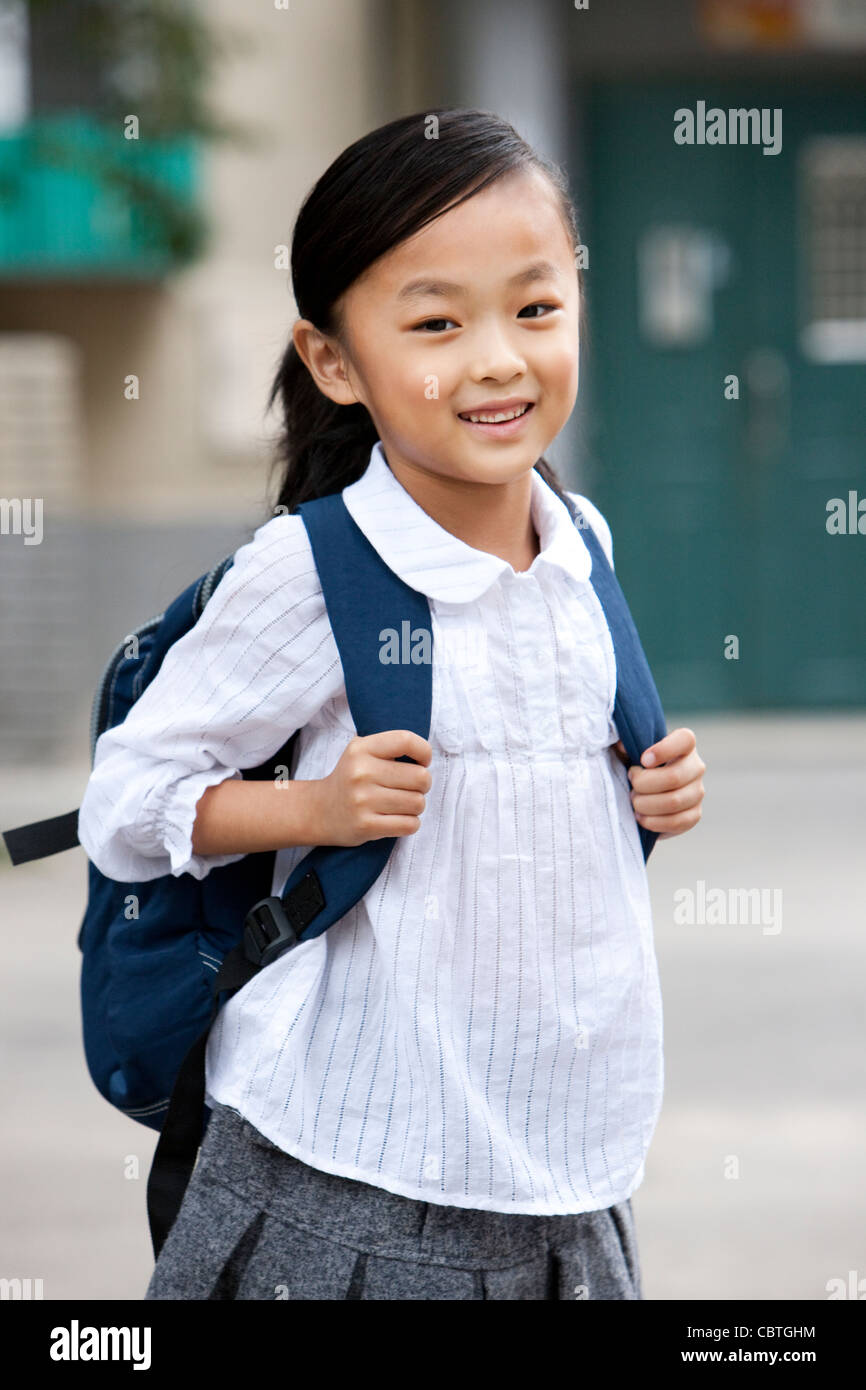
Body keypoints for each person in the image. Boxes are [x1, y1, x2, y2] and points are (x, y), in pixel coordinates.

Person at [77, 107, 706, 1300]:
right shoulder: (310, 571)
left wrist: (651, 786)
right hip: (349, 1178)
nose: (497, 359)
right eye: (434, 322)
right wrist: (312, 809)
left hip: (565, 1175)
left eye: (534, 308)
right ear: (333, 361)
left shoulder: (581, 544)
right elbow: (124, 802)